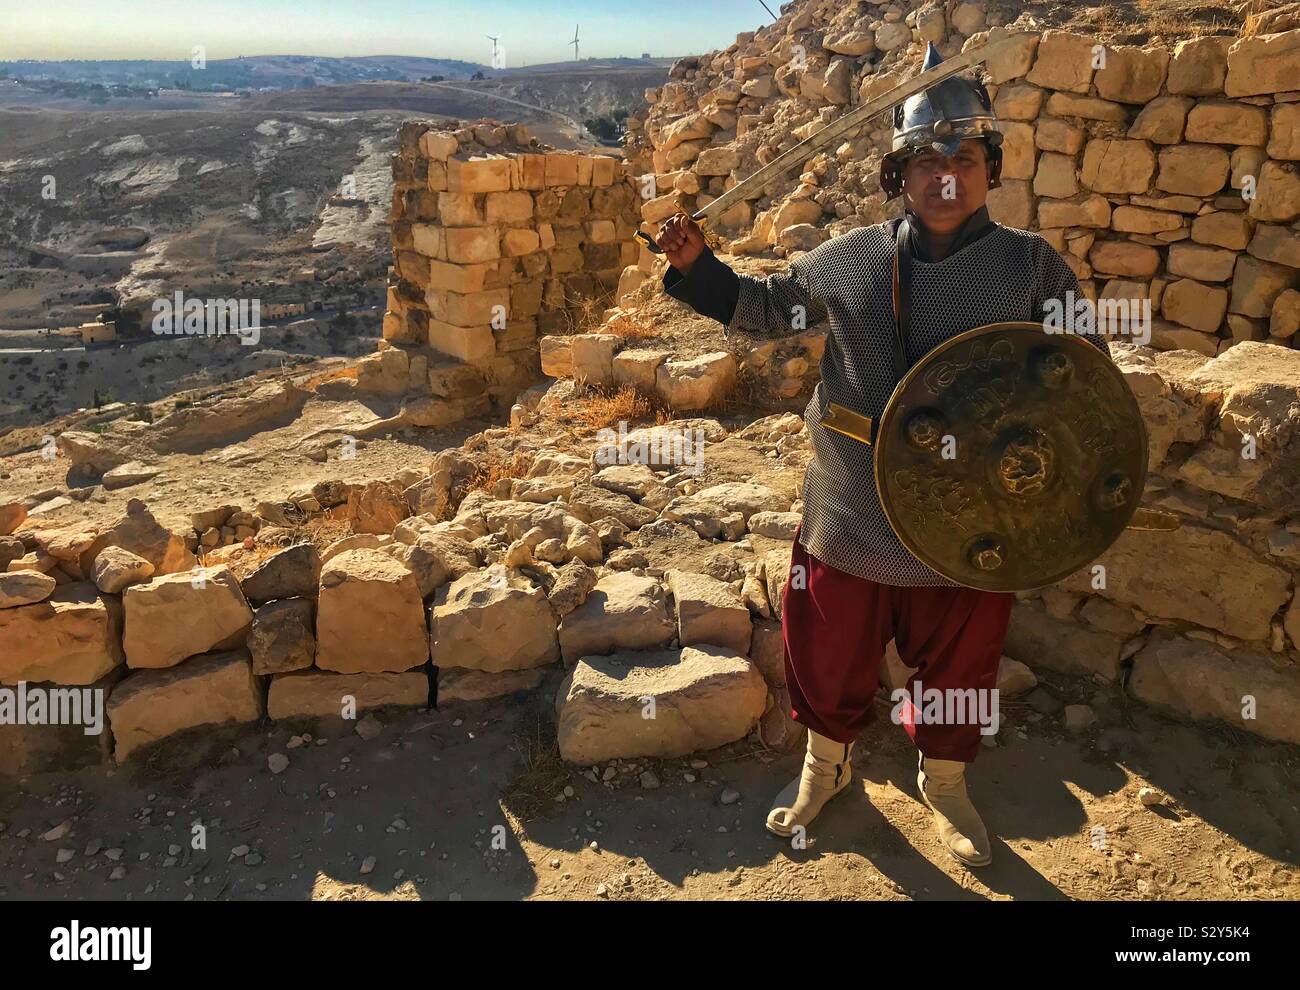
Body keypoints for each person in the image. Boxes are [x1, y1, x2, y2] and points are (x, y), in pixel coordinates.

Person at [654, 43, 1110, 869]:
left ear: (990, 170)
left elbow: (1079, 386)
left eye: (965, 158)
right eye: (927, 159)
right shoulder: (851, 258)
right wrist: (698, 268)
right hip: (854, 498)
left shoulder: (1033, 268)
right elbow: (765, 309)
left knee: (963, 655)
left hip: (975, 509)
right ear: (897, 174)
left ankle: (946, 784)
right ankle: (824, 770)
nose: (946, 175)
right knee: (826, 646)